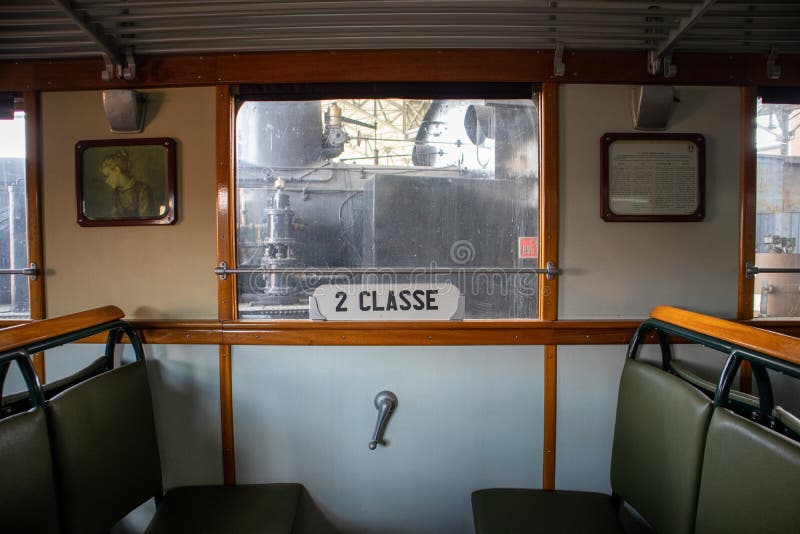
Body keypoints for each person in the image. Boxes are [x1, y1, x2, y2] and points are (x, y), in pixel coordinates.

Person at [101, 149, 155, 218]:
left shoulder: (143, 190)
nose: (106, 181)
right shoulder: (116, 192)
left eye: (107, 176)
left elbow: (146, 219)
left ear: (117, 170)